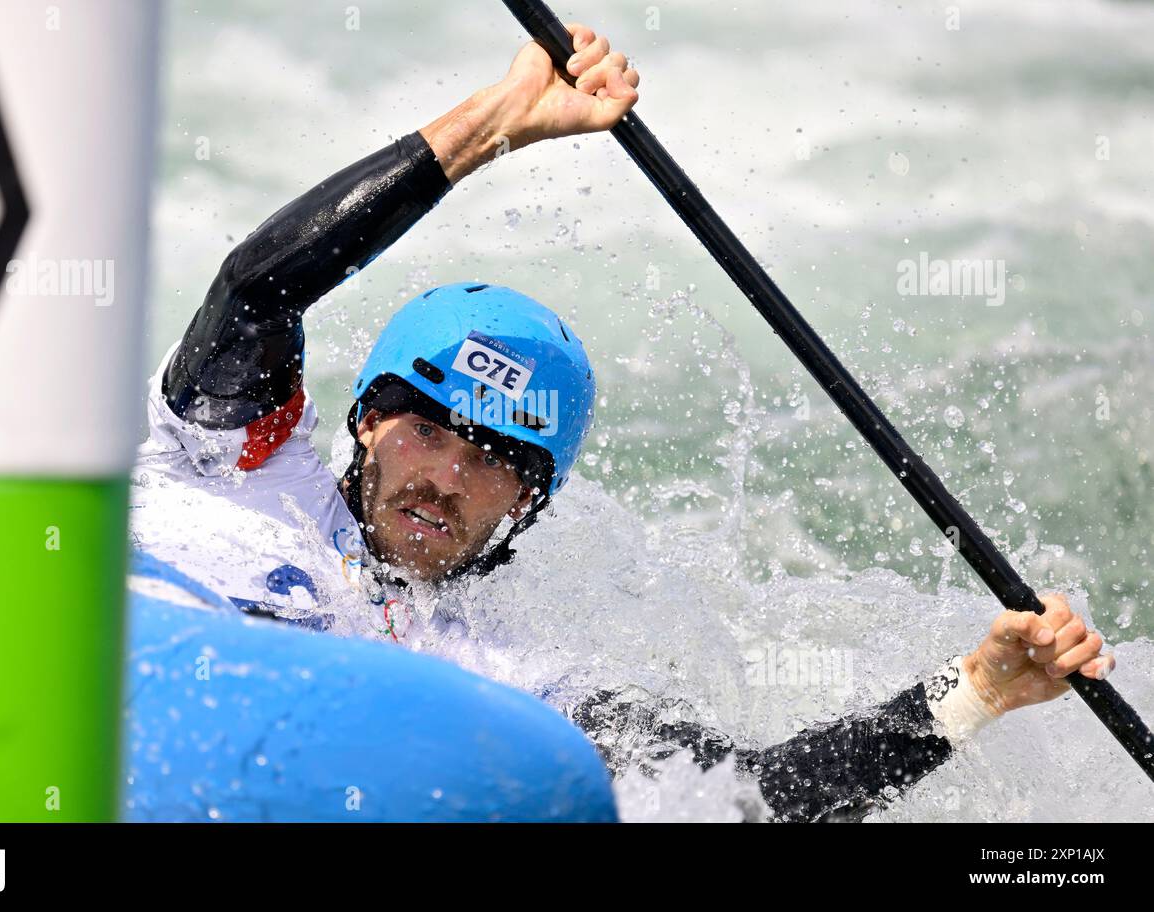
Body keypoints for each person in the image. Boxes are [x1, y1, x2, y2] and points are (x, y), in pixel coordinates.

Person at [131, 23, 1116, 821]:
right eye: (426, 428)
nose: (443, 475)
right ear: (364, 421)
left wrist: (978, 690)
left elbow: (739, 802)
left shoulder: (521, 680)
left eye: (493, 458)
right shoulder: (237, 464)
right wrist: (498, 124)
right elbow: (258, 290)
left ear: (532, 498)